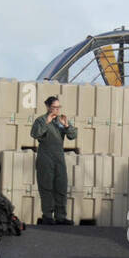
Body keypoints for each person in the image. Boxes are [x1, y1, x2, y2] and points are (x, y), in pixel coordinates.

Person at [31, 96, 78, 225]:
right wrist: (47, 122)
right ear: (48, 107)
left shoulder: (60, 120)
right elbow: (35, 134)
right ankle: (47, 215)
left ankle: (60, 216)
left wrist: (67, 126)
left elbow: (73, 136)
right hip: (45, 157)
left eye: (58, 107)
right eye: (54, 107)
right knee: (46, 187)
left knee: (61, 186)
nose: (56, 110)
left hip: (59, 157)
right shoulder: (40, 120)